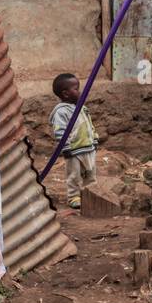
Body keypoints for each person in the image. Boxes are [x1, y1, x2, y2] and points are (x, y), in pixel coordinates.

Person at [50, 72, 99, 209]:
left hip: (88, 147)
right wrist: (65, 148)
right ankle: (74, 196)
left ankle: (91, 194)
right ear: (65, 94)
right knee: (74, 175)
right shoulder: (61, 112)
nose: (80, 92)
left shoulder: (82, 108)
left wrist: (94, 138)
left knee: (91, 173)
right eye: (76, 89)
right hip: (74, 150)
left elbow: (89, 124)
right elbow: (59, 131)